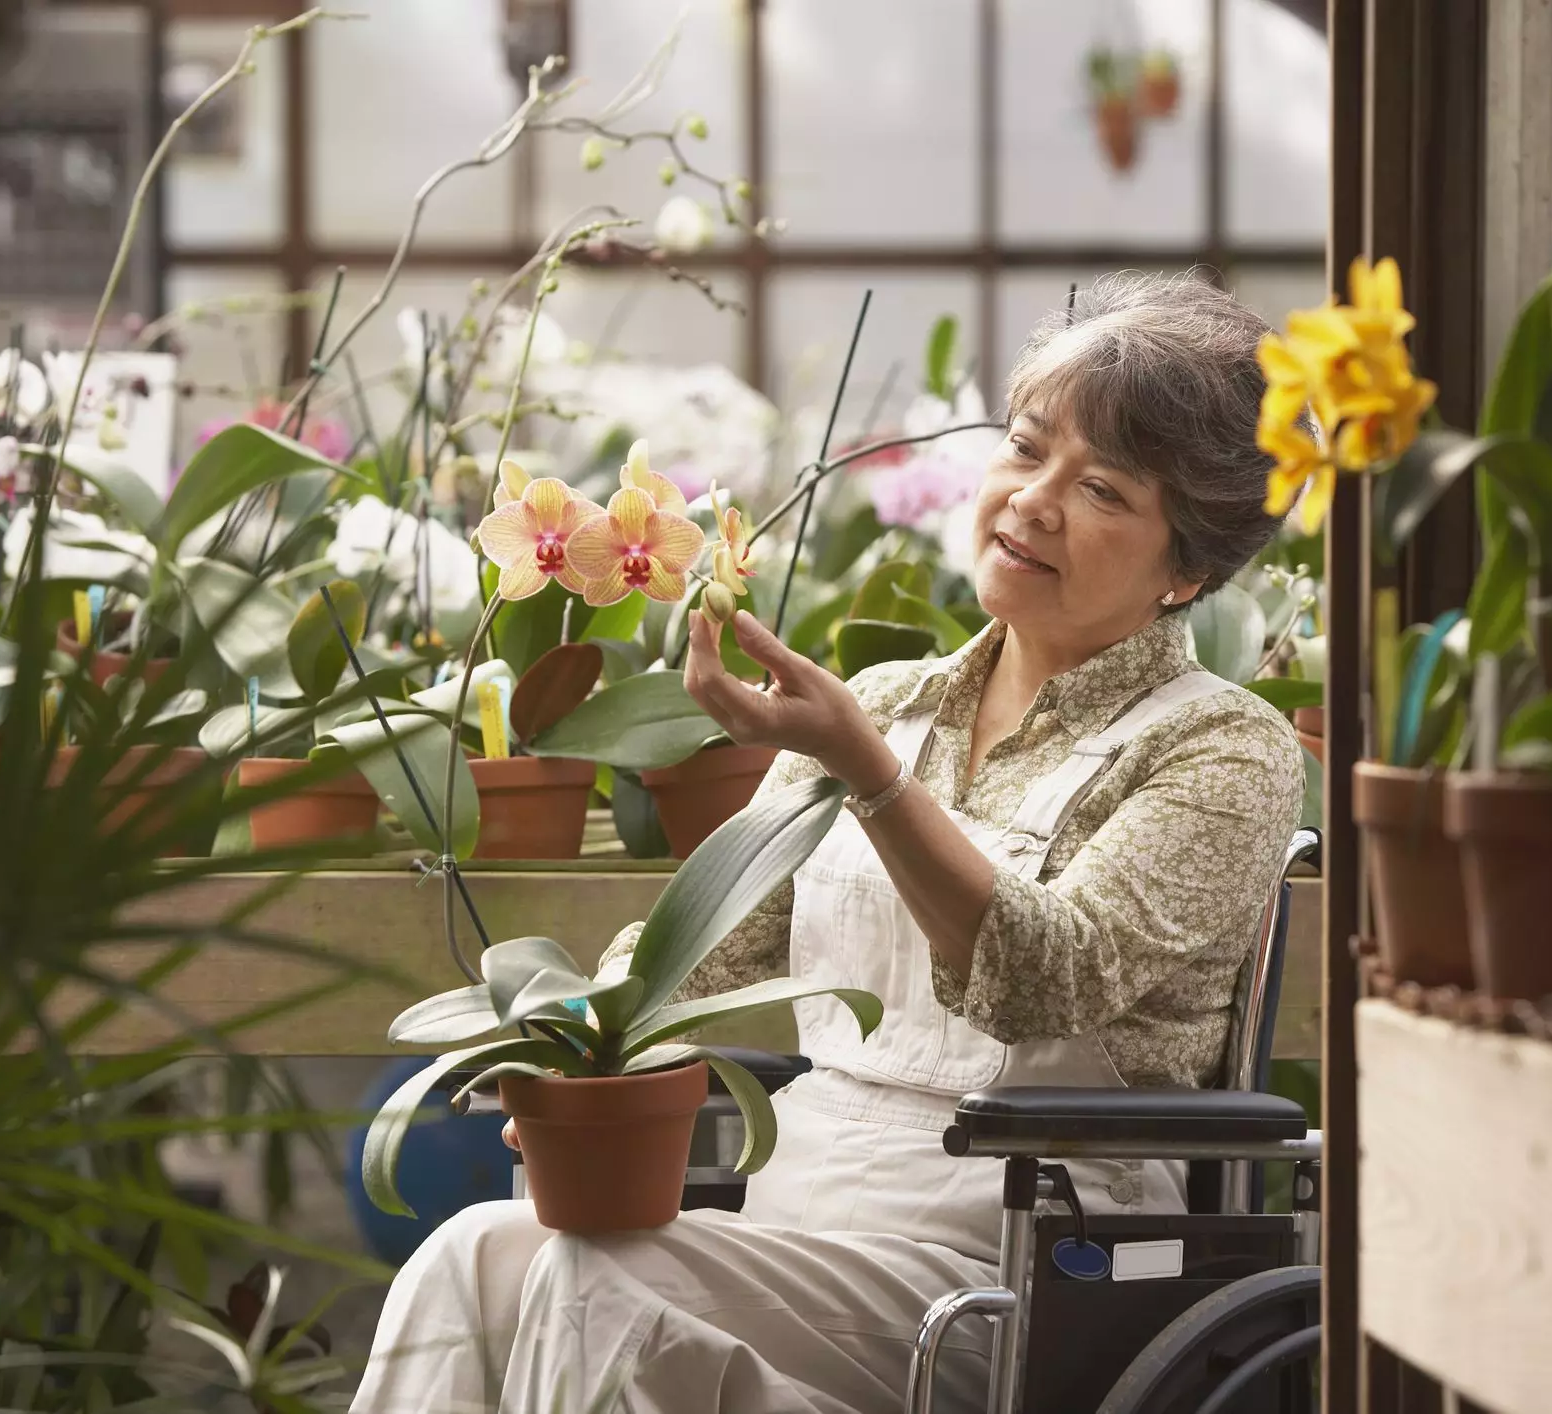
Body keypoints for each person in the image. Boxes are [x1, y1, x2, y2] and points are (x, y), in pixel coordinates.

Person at [351, 271, 1306, 1414]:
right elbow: (698, 957)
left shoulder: (1223, 746)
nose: (1034, 501)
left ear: (1187, 568)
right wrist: (575, 1047)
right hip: (799, 1226)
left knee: (589, 1285)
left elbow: (1046, 977)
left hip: (1019, 1272)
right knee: (474, 1255)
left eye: (1101, 487)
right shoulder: (887, 700)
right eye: (1025, 448)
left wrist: (871, 775)